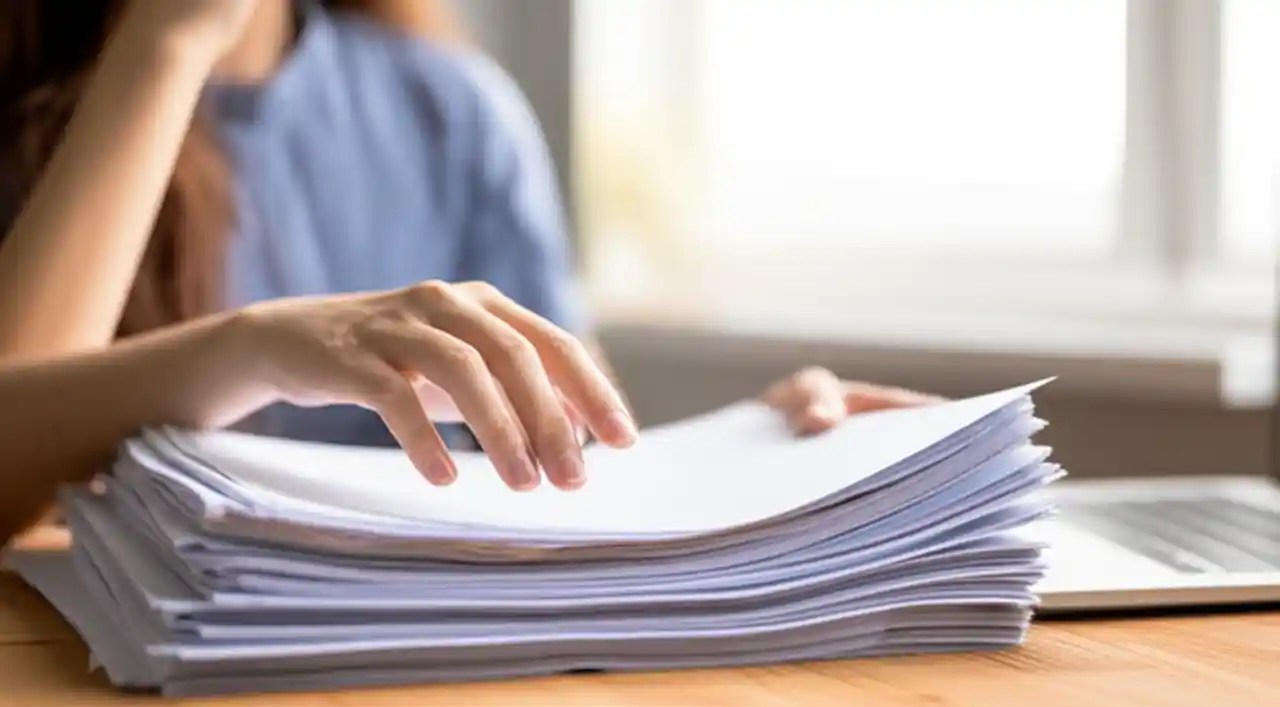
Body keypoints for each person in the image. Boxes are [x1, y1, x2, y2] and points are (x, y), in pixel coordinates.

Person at [0, 0, 939, 547]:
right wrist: (168, 39)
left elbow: (576, 465)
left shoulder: (447, 104)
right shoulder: (37, 110)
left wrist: (755, 459)